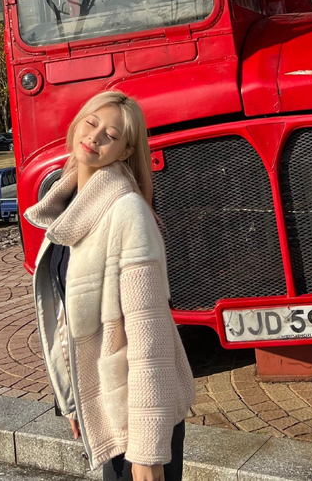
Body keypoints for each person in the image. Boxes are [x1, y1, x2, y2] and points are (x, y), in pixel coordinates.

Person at [24, 91, 194, 481]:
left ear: (124, 150)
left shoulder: (127, 212)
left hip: (140, 418)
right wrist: (74, 402)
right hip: (107, 410)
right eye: (91, 123)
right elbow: (68, 320)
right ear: (76, 124)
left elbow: (149, 339)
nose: (95, 137)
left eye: (111, 134)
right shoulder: (71, 207)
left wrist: (149, 453)